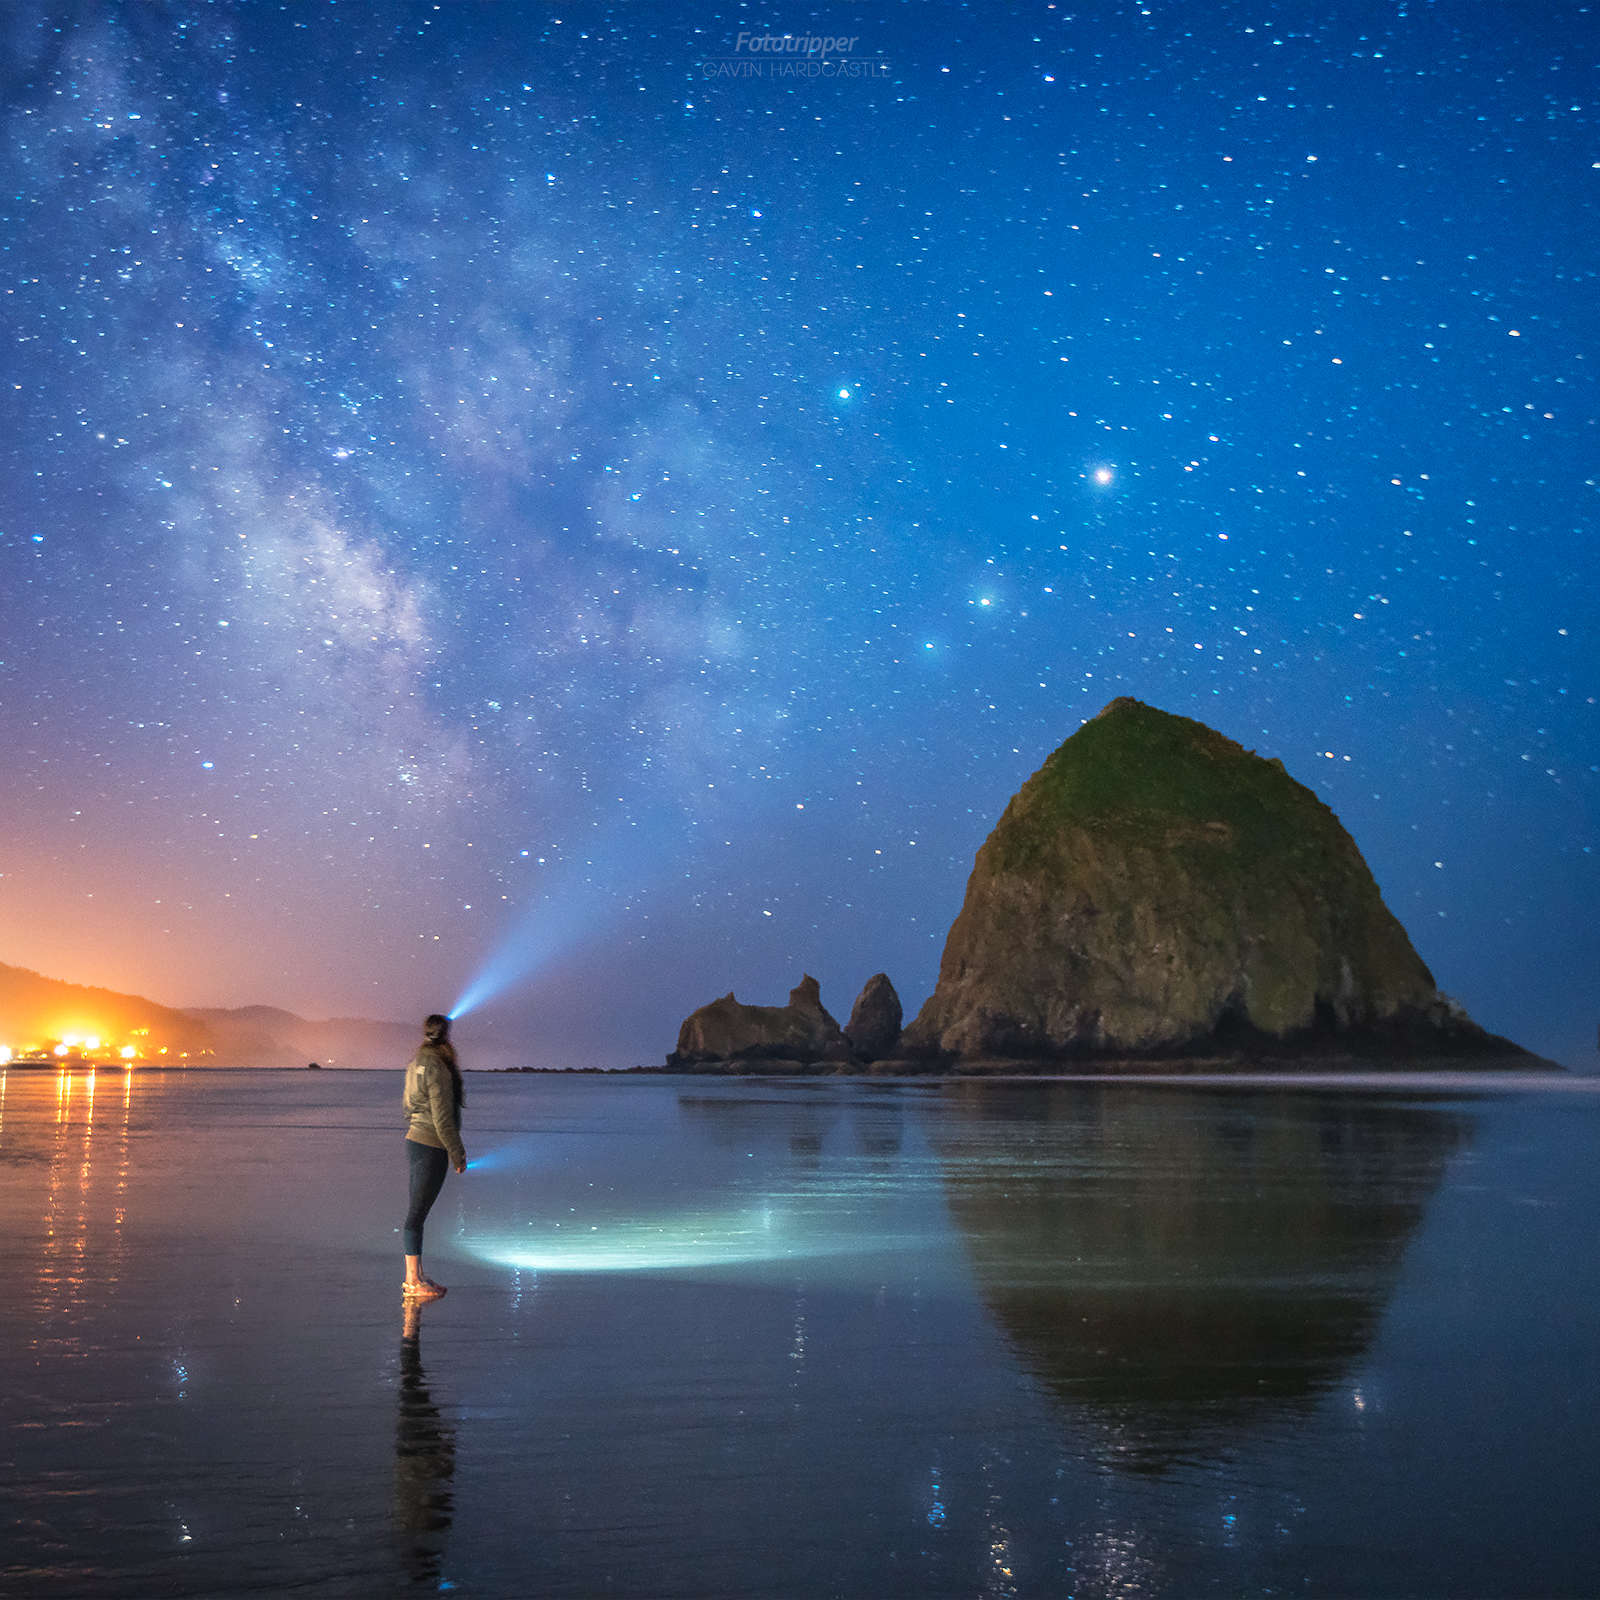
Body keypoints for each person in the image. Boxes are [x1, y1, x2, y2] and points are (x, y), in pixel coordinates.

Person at [402, 1013, 467, 1300]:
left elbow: (407, 1107)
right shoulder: (439, 1068)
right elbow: (443, 1120)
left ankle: (417, 1275)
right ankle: (412, 1281)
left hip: (414, 1142)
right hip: (432, 1147)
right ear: (446, 1036)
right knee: (416, 1215)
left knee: (417, 1213)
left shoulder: (415, 1064)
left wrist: (419, 1122)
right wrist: (457, 1154)